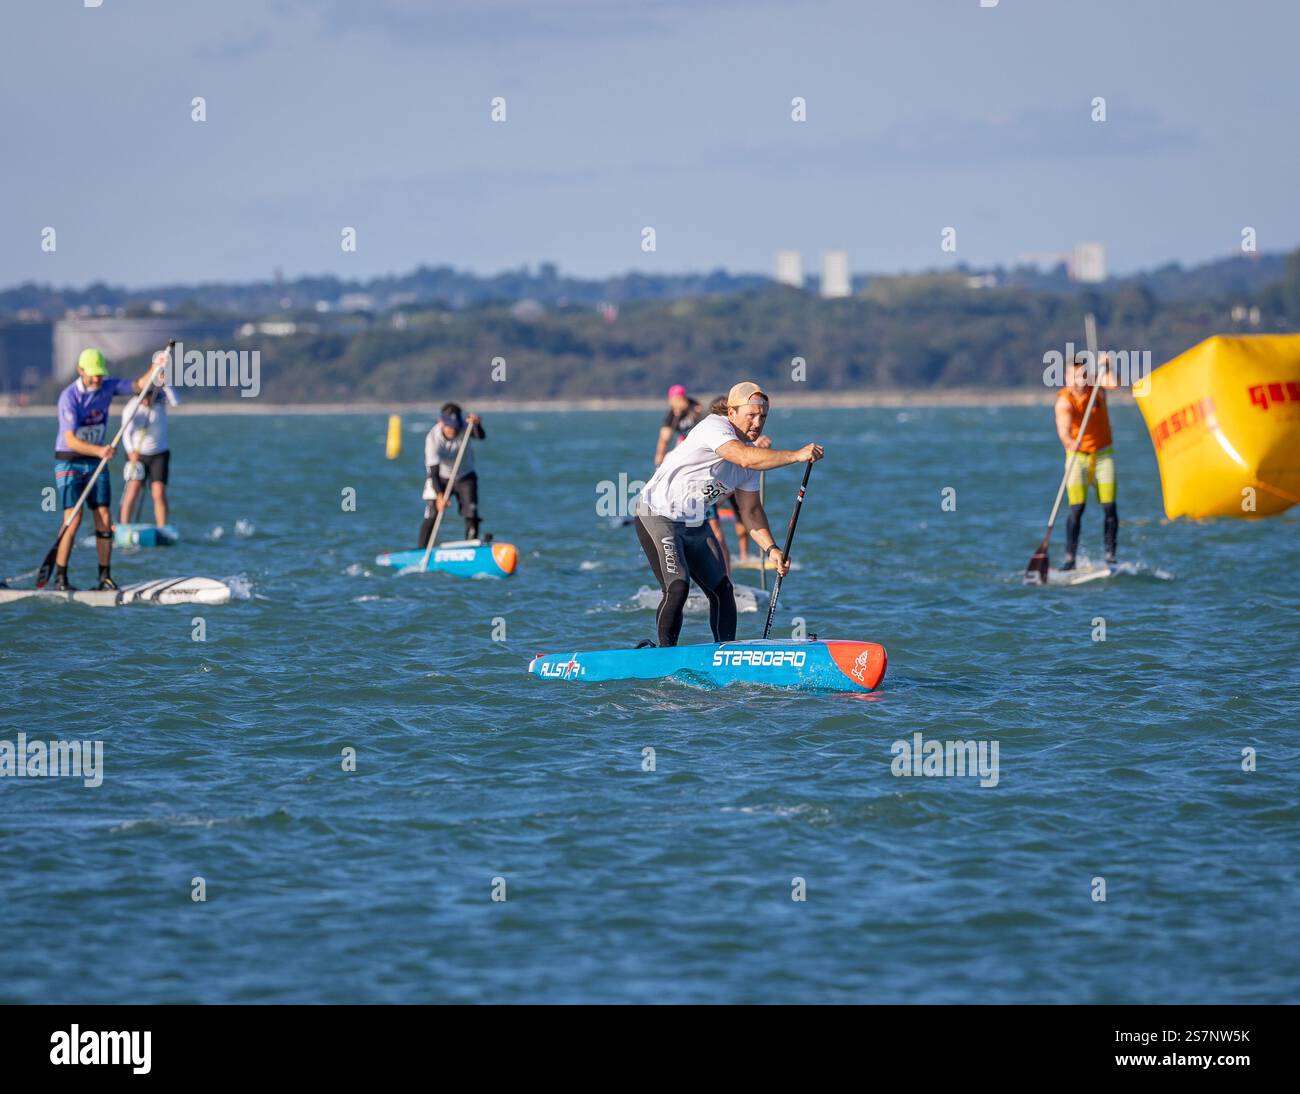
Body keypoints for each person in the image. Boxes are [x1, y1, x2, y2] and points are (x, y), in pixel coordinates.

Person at [634, 381, 823, 648]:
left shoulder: (750, 458)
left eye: (763, 417)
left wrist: (772, 549)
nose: (758, 423)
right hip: (658, 515)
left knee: (723, 590)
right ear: (731, 413)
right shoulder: (715, 427)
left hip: (695, 521)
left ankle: (727, 652)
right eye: (752, 415)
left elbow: (751, 511)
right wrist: (795, 455)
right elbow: (743, 457)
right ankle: (663, 656)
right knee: (678, 587)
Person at [52, 348, 162, 590]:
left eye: (100, 374)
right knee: (74, 518)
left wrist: (156, 366)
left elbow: (138, 385)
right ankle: (61, 578)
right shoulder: (69, 397)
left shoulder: (107, 386)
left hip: (96, 462)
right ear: (81, 372)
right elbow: (70, 439)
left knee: (104, 517)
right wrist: (99, 451)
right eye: (93, 375)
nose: (97, 379)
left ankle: (104, 578)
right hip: (70, 460)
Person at [1055, 351, 1120, 569]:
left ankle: (1110, 555)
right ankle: (1070, 559)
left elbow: (1114, 383)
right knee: (1077, 508)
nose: (1079, 380)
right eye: (1074, 376)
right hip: (1078, 456)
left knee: (1109, 507)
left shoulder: (1097, 388)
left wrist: (1107, 366)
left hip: (1103, 455)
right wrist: (1069, 442)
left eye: (1083, 375)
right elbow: (1063, 430)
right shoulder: (1065, 400)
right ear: (1067, 377)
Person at [705, 394, 772, 568]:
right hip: (703, 495)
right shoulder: (713, 431)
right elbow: (741, 455)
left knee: (740, 523)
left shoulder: (743, 436)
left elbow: (746, 448)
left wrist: (758, 448)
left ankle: (730, 576)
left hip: (732, 489)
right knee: (716, 536)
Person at [419, 403, 486, 546]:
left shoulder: (465, 426)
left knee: (471, 514)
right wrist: (439, 496)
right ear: (441, 421)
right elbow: (433, 471)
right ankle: (421, 549)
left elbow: (480, 436)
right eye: (449, 426)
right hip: (440, 477)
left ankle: (471, 546)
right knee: (432, 513)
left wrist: (477, 425)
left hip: (465, 476)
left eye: (455, 426)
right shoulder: (432, 439)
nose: (453, 430)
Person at [118, 382, 179, 528]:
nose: (146, 401)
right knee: (133, 490)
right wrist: (130, 451)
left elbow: (176, 401)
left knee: (158, 493)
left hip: (159, 454)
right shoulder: (131, 408)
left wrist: (166, 385)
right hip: (138, 454)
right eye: (142, 397)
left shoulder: (161, 400)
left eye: (148, 396)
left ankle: (162, 527)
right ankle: (124, 526)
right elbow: (126, 432)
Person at [653, 384, 704, 467]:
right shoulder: (670, 417)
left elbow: (701, 412)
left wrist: (689, 409)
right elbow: (664, 439)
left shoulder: (693, 404)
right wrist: (660, 456)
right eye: (675, 400)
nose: (678, 402)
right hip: (684, 441)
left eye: (680, 399)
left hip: (699, 439)